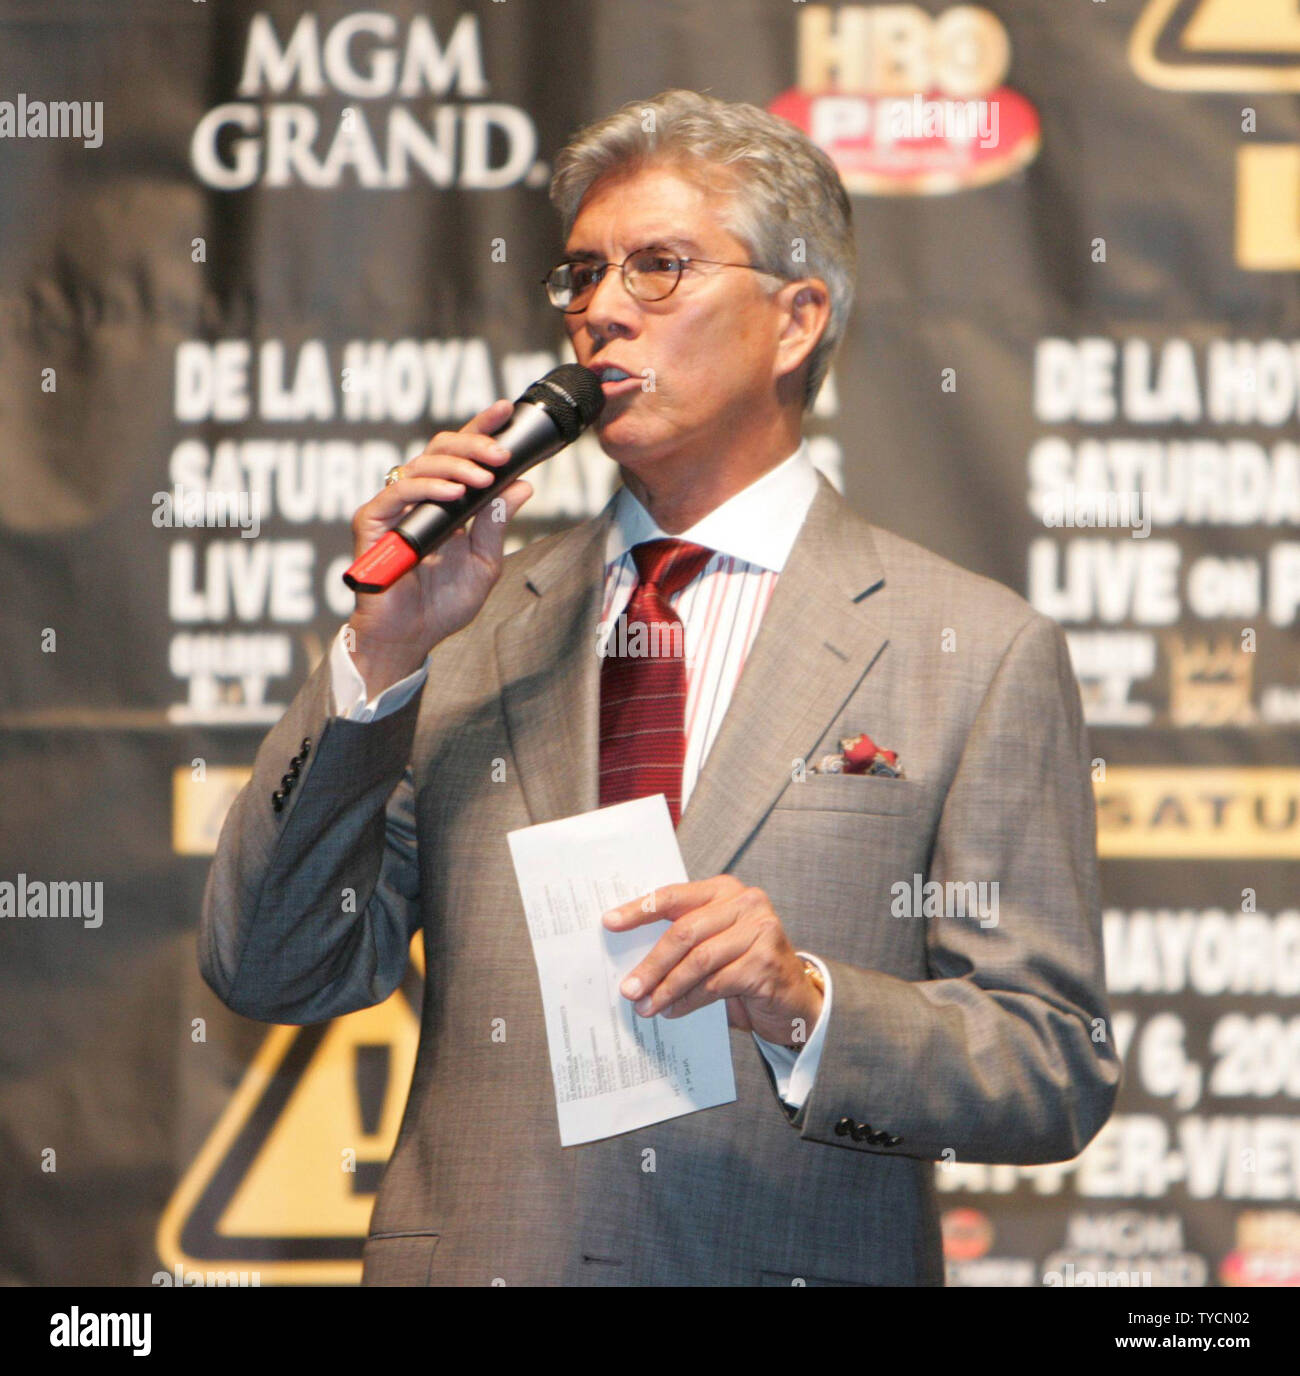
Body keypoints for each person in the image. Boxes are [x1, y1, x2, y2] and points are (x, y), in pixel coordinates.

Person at [199, 89, 1119, 1286]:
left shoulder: (972, 646)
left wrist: (805, 999)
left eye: (658, 268)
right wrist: (379, 662)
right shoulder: (468, 619)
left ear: (796, 320)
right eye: (581, 275)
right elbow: (272, 963)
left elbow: (1051, 1065)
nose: (599, 313)